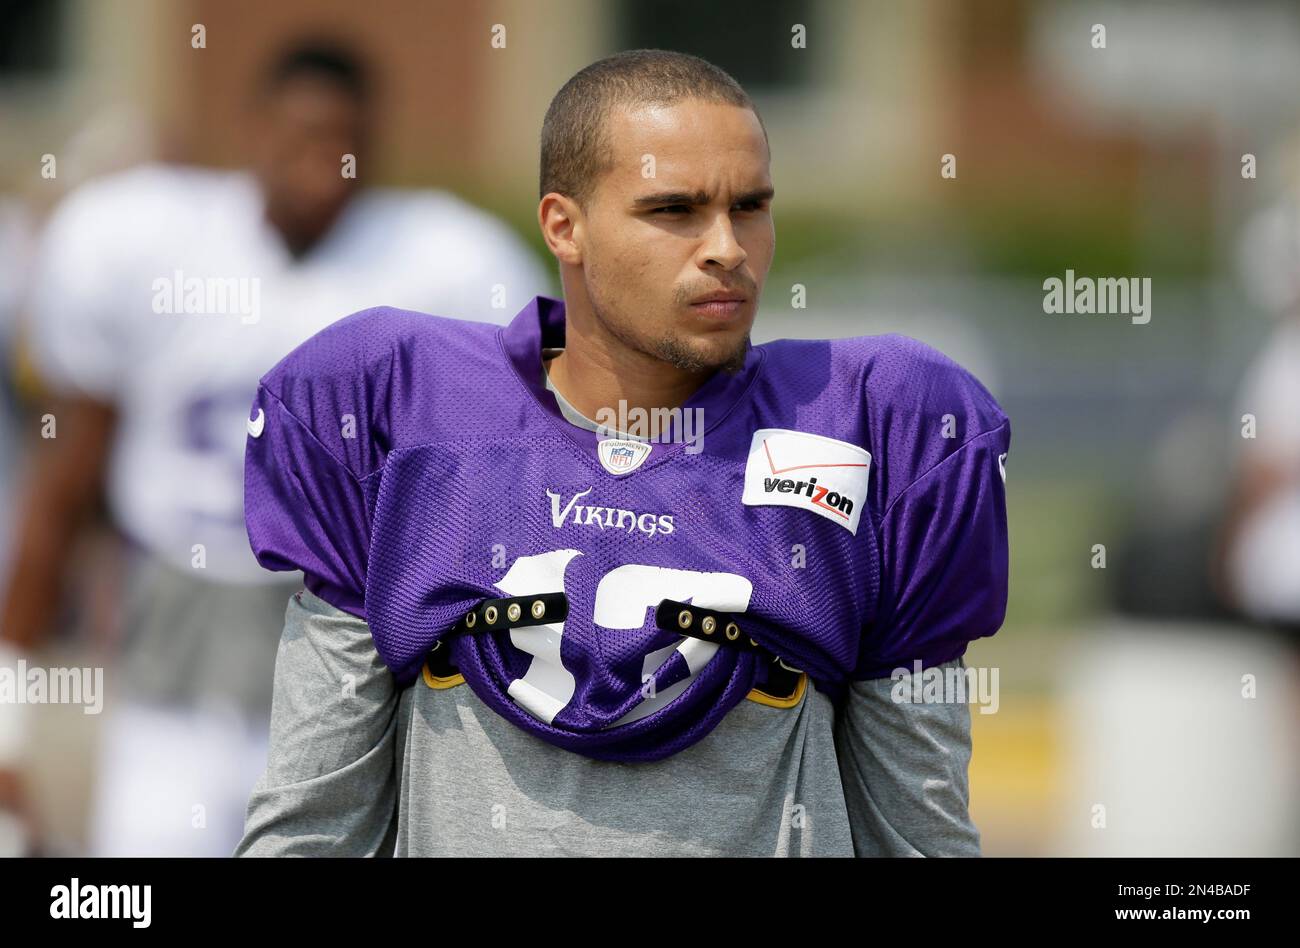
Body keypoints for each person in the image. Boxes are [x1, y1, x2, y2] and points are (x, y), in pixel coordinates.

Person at [236, 49, 1010, 857]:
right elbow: (313, 820)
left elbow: (919, 836)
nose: (727, 248)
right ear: (563, 226)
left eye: (749, 206)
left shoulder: (870, 425)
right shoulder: (398, 407)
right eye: (675, 210)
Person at [0, 41, 550, 856]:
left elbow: (511, 483)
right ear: (251, 132)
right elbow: (70, 477)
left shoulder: (444, 263)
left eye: (342, 143)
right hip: (174, 640)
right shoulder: (146, 240)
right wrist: (10, 714)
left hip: (347, 645)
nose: (321, 166)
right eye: (300, 137)